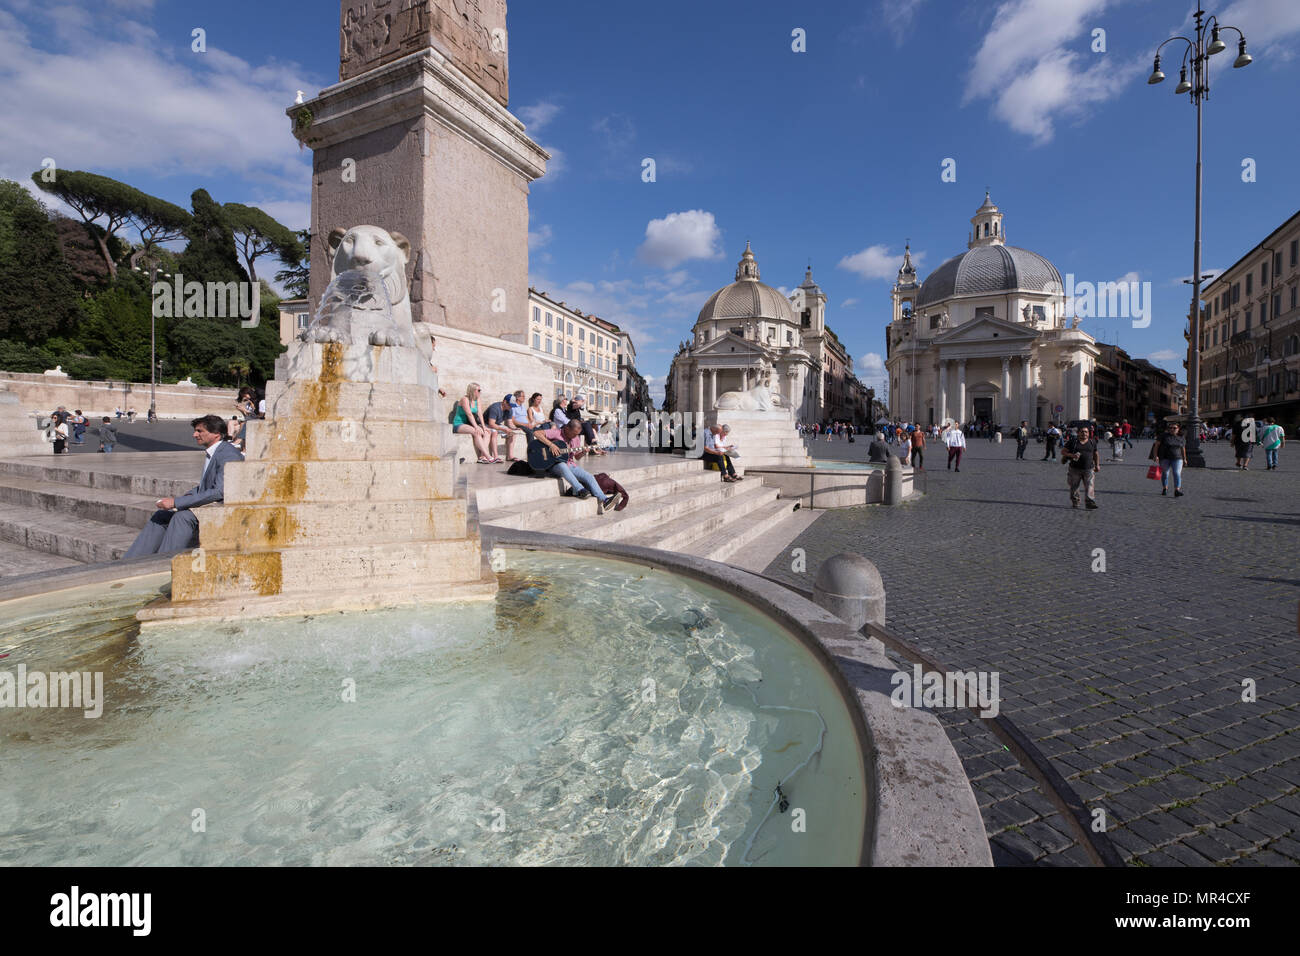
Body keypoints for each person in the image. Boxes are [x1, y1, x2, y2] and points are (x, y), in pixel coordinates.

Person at [122, 415, 244, 557]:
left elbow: (219, 492)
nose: (194, 435)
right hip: (211, 502)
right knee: (162, 515)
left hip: (222, 507)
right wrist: (187, 496)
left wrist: (177, 502)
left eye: (199, 431)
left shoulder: (228, 455)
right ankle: (131, 560)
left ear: (216, 434)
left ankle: (164, 563)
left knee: (183, 517)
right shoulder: (217, 451)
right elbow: (206, 486)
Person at [528, 419, 615, 514]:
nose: (575, 436)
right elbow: (536, 433)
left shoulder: (576, 438)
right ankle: (580, 490)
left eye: (577, 434)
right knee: (562, 466)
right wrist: (551, 445)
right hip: (553, 465)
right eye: (573, 433)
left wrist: (583, 452)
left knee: (589, 476)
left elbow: (576, 457)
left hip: (570, 464)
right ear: (567, 428)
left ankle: (605, 500)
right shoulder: (556, 433)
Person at [452, 383, 499, 463]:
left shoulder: (477, 399)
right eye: (479, 390)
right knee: (476, 432)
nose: (480, 392)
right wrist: (476, 427)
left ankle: (482, 456)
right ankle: (488, 456)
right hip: (459, 424)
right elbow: (469, 414)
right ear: (473, 390)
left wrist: (484, 427)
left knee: (487, 432)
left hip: (469, 424)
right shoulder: (465, 399)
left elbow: (480, 414)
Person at [1063, 424, 1101, 509]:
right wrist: (1072, 455)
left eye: (1086, 432)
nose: (1084, 433)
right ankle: (1075, 501)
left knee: (1090, 485)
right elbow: (1063, 452)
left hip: (1089, 468)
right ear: (1078, 433)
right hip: (1074, 469)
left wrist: (1097, 465)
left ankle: (1090, 502)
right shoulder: (1073, 442)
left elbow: (1096, 454)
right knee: (1074, 486)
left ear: (1088, 433)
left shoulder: (1092, 442)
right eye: (1082, 432)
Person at [1153, 422, 1188, 497]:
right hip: (1164, 457)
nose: (1172, 429)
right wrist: (1156, 456)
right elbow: (1156, 445)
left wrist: (1184, 458)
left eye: (1174, 428)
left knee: (1177, 473)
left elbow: (1183, 448)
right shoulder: (1163, 436)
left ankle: (1177, 490)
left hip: (1178, 458)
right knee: (1165, 473)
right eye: (1170, 428)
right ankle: (1165, 488)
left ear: (1178, 429)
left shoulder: (1181, 437)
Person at [484, 394, 521, 462]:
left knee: (513, 434)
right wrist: (504, 429)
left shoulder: (509, 409)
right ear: (504, 402)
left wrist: (515, 428)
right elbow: (491, 424)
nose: (511, 407)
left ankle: (510, 456)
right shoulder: (495, 408)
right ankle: (496, 456)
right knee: (494, 432)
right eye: (509, 405)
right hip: (486, 424)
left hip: (496, 424)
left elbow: (510, 423)